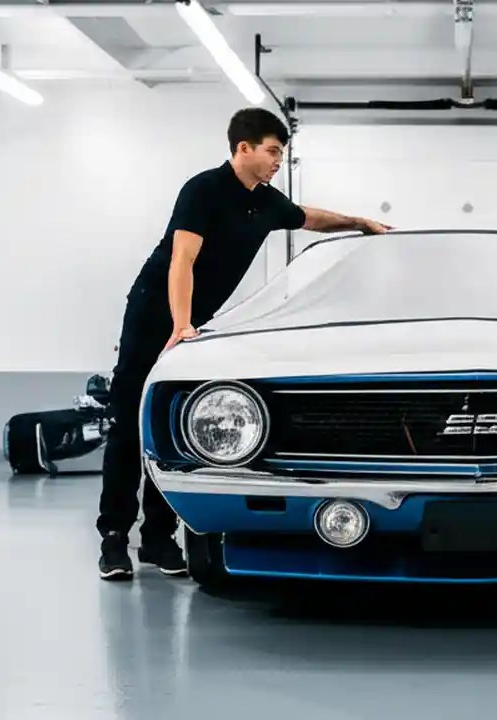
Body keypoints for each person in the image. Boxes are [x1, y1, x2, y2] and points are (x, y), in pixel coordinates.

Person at [96, 107, 391, 580]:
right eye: (273, 151)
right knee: (131, 422)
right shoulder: (204, 190)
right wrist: (180, 325)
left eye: (281, 153)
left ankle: (157, 538)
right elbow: (182, 260)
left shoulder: (267, 201)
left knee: (167, 427)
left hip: (194, 321)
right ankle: (113, 539)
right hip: (157, 312)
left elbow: (311, 217)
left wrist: (360, 222)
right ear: (243, 148)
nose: (278, 161)